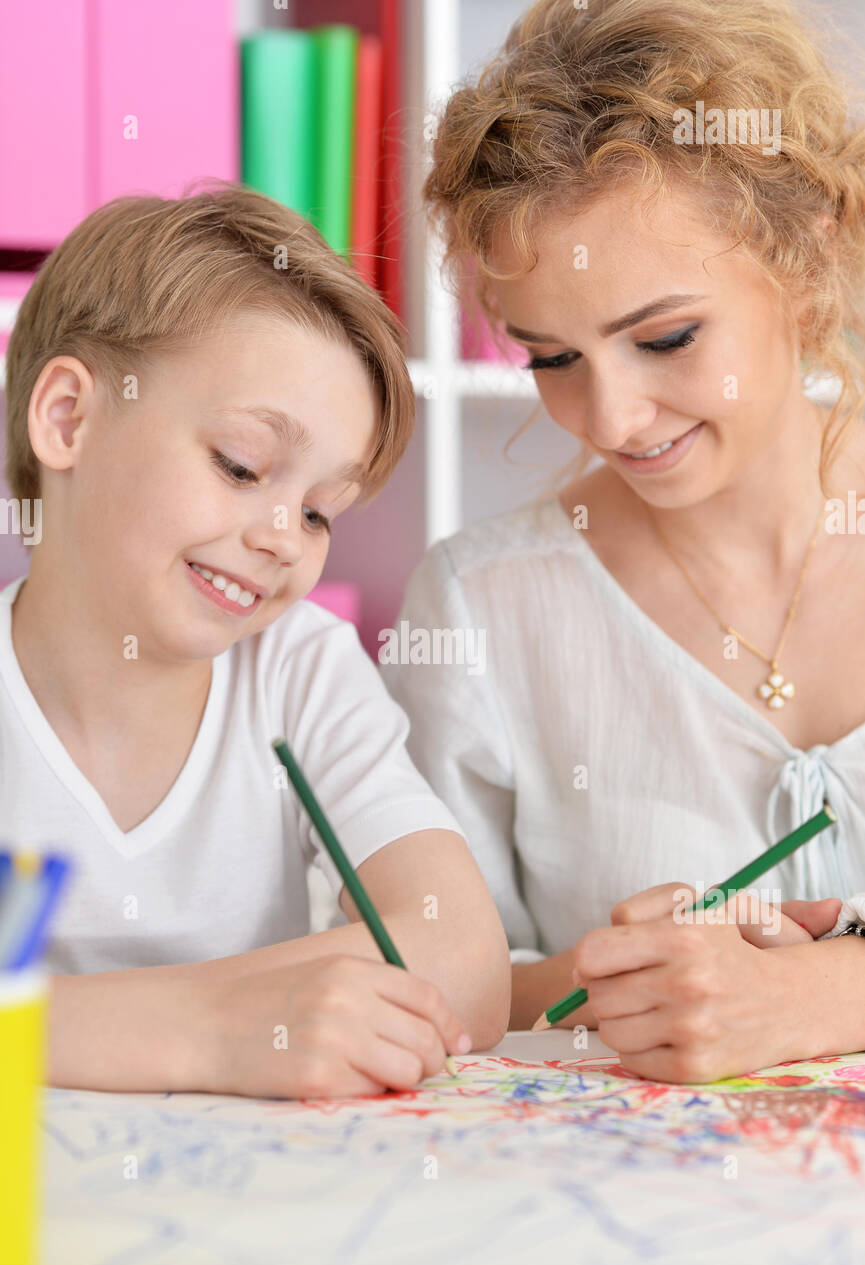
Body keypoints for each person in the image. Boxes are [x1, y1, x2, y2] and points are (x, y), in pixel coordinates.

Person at [384, 0, 865, 1081]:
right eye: (550, 357)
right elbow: (422, 983)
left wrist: (820, 993)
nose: (610, 423)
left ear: (804, 257)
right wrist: (623, 983)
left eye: (665, 338)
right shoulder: (481, 607)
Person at [0, 184, 511, 1099]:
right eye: (240, 465)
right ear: (68, 418)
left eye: (320, 512)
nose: (284, 537)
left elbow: (463, 958)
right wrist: (202, 1033)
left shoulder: (300, 668)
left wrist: (54, 1025)